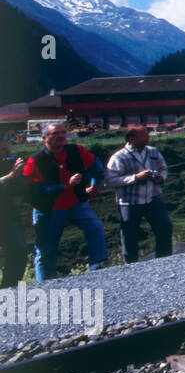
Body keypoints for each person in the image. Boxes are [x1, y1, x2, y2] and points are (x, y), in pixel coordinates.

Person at [24, 123, 108, 279]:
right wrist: (66, 186)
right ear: (44, 138)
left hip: (75, 202)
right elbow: (36, 192)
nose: (61, 136)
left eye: (63, 133)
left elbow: (96, 166)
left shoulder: (76, 150)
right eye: (55, 134)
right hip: (49, 209)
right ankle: (44, 284)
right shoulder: (35, 161)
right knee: (46, 249)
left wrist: (95, 185)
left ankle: (97, 268)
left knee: (95, 227)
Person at [106, 125, 172, 263]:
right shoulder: (119, 157)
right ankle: (131, 266)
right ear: (132, 138)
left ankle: (164, 261)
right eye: (144, 135)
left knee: (164, 227)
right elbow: (110, 180)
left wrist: (161, 177)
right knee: (130, 235)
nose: (147, 137)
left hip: (152, 198)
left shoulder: (153, 152)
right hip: (130, 202)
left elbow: (163, 168)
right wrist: (135, 178)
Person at [1, 156, 29, 287]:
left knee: (18, 252)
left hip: (7, 216)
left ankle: (8, 290)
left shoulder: (7, 161)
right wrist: (11, 176)